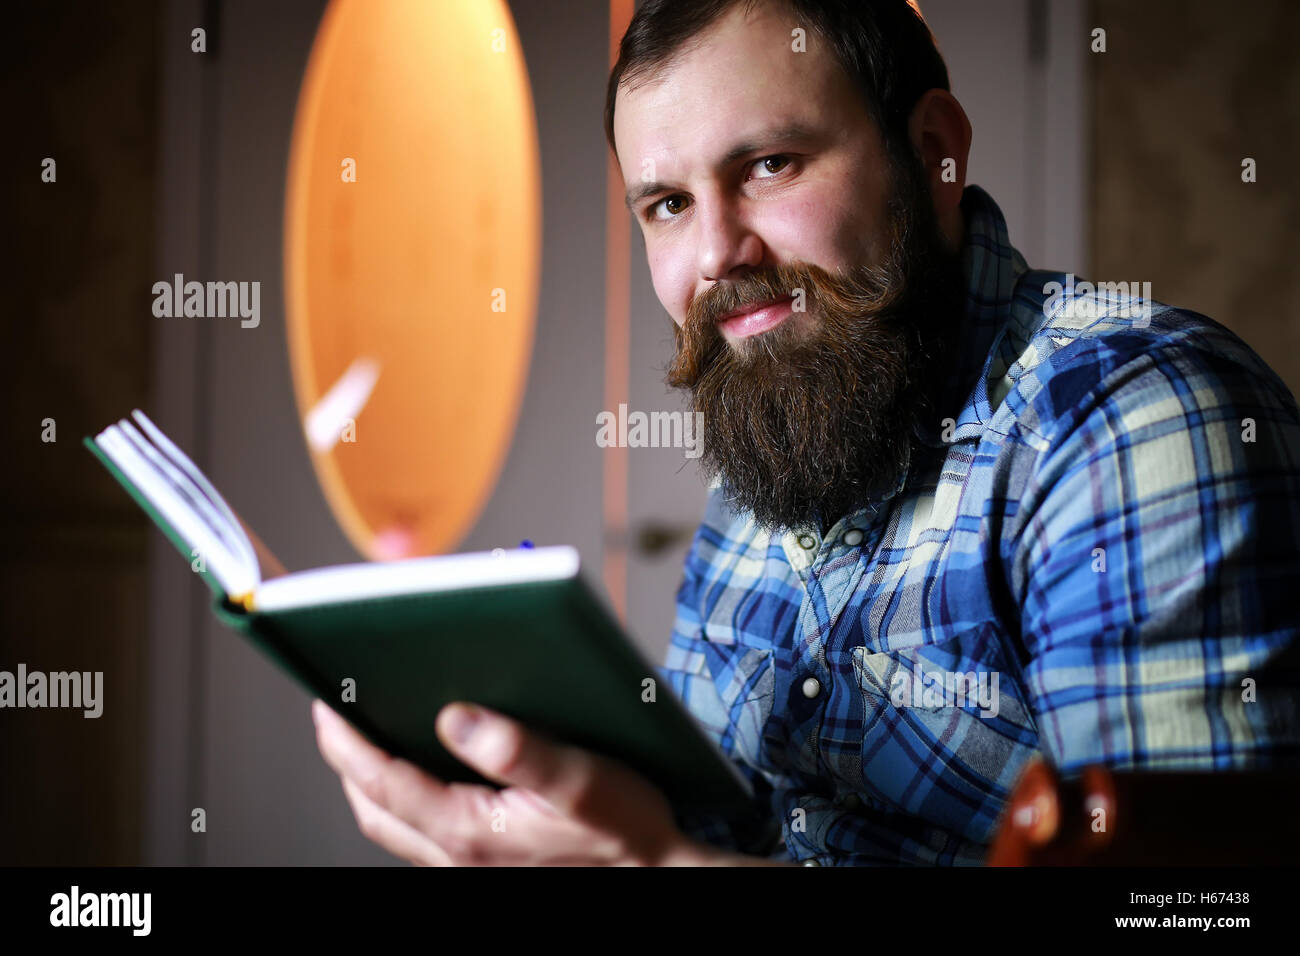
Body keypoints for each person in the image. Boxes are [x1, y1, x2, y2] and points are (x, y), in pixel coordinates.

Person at [312, 0, 1300, 866]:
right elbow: (722, 823)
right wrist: (544, 786)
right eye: (667, 204)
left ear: (934, 149)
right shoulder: (780, 443)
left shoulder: (1128, 417)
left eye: (770, 165)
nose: (715, 255)